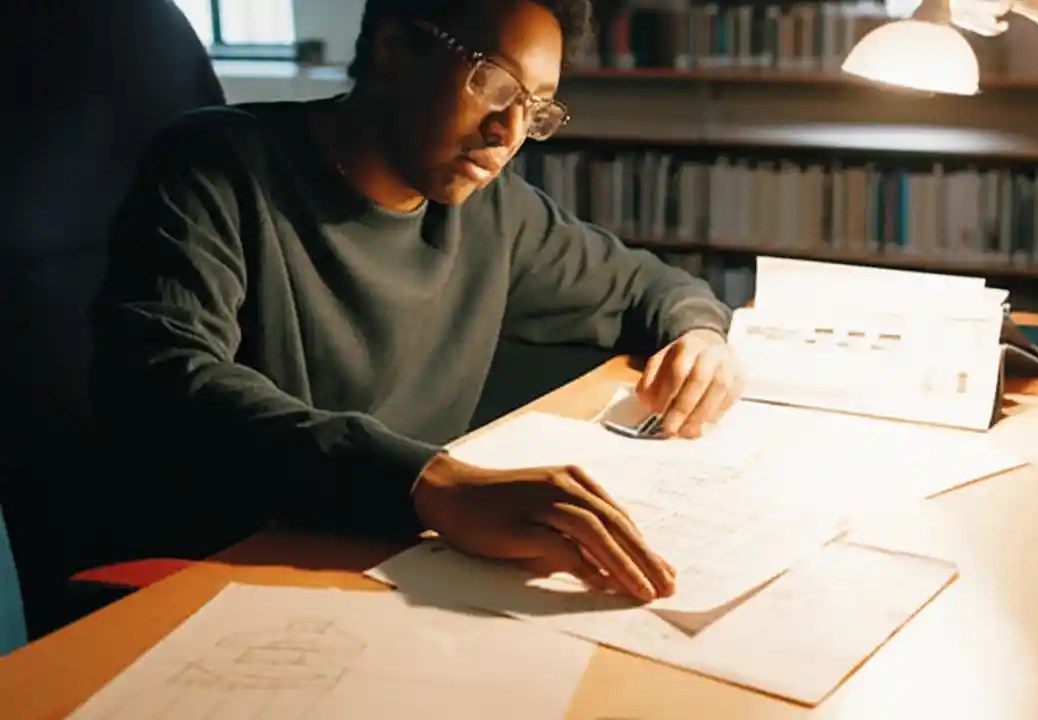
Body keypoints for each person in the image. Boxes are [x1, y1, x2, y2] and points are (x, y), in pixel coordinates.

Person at [88, 0, 744, 603]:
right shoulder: (215, 166)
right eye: (493, 82)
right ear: (396, 45)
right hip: (218, 568)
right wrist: (428, 484)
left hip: (390, 560)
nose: (508, 131)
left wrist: (699, 337)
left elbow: (650, 288)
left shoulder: (495, 213)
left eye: (536, 107)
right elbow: (167, 382)